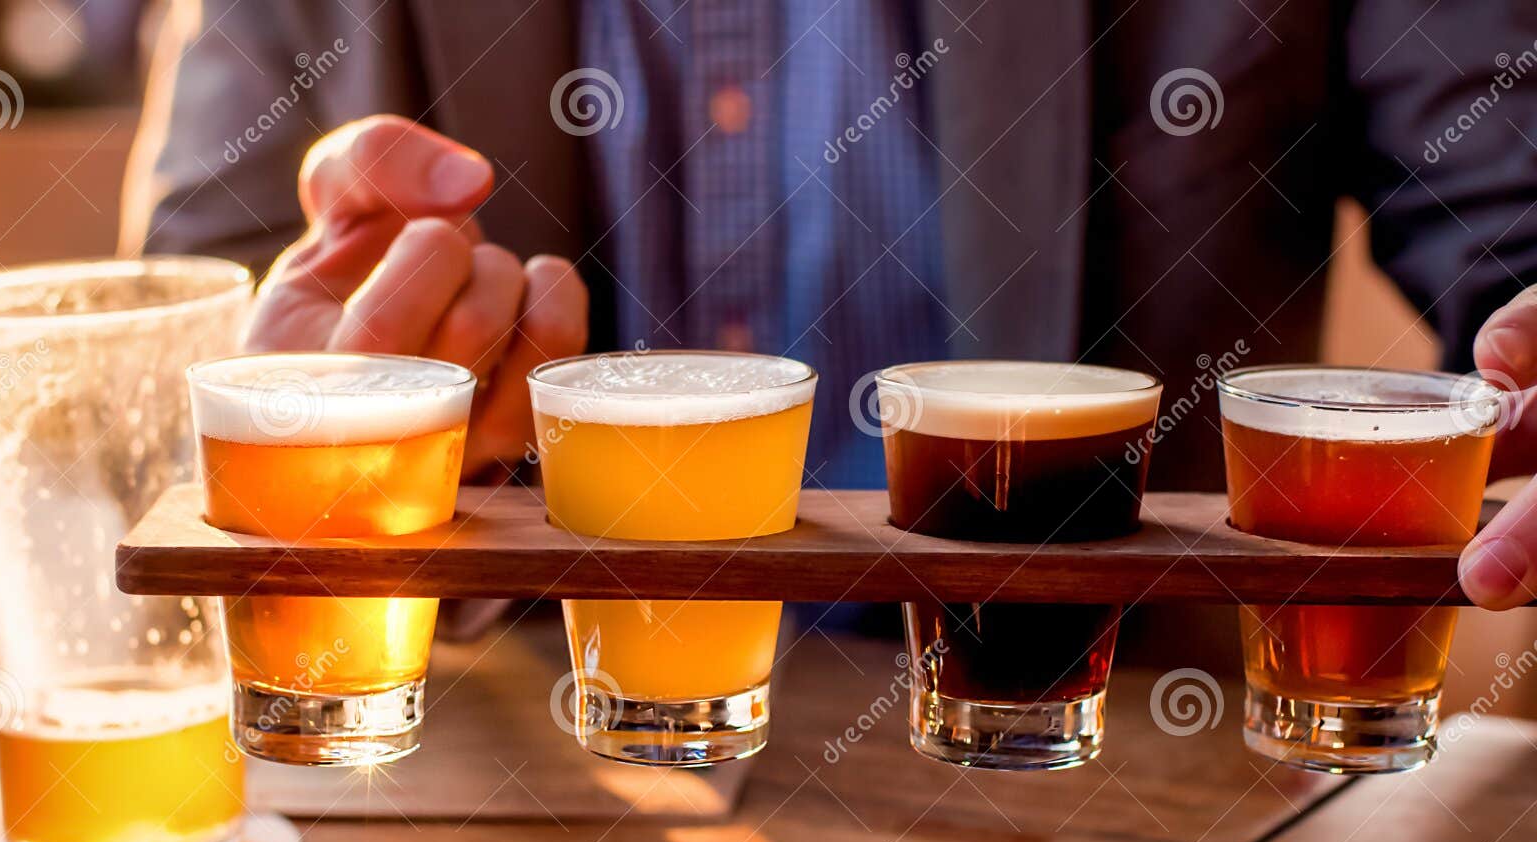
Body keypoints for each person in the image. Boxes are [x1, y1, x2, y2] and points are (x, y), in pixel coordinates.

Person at [122, 1, 1537, 611]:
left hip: (1129, 798)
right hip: (499, 787)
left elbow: (1511, 195)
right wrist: (322, 399)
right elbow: (171, 334)